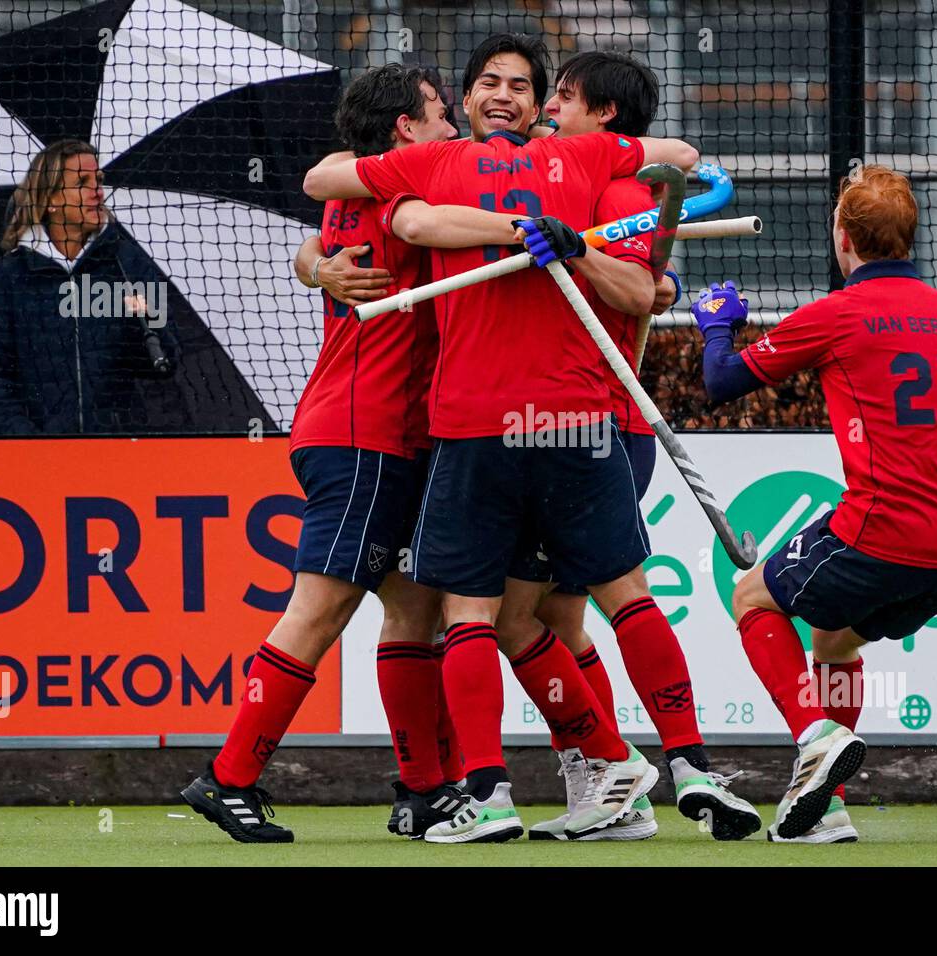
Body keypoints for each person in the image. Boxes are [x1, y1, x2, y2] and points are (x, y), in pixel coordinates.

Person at [304, 33, 757, 844]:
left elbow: (668, 191)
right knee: (517, 614)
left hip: (547, 422)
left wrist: (582, 244)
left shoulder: (580, 163)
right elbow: (350, 192)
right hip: (508, 424)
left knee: (561, 605)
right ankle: (563, 783)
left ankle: (667, 768)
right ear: (467, 101)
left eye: (525, 85)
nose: (509, 95)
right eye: (489, 82)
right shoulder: (459, 164)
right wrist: (515, 229)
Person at [180, 64, 471, 844]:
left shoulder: (354, 192)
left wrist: (314, 265)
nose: (453, 128)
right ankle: (228, 776)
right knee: (320, 609)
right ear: (407, 129)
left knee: (412, 607)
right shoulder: (402, 188)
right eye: (442, 115)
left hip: (375, 431)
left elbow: (315, 233)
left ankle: (424, 789)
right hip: (364, 432)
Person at [693, 164, 937, 843]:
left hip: (885, 529)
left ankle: (813, 738)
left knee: (753, 597)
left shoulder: (838, 314)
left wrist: (717, 323)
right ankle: (824, 807)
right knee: (834, 639)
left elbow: (721, 381)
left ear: (843, 237)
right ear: (909, 240)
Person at [498, 49, 759, 842]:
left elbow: (639, 289)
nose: (549, 110)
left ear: (605, 116)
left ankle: (666, 764)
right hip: (563, 422)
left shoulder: (616, 190)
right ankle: (627, 787)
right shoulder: (580, 178)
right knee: (563, 621)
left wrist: (575, 249)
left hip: (596, 426)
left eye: (564, 99)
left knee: (542, 613)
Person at [0, 139, 179, 434]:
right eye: (82, 182)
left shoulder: (126, 263)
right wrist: (24, 441)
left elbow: (164, 361)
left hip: (119, 455)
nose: (97, 191)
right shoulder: (7, 278)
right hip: (37, 462)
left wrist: (147, 318)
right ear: (50, 199)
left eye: (99, 180)